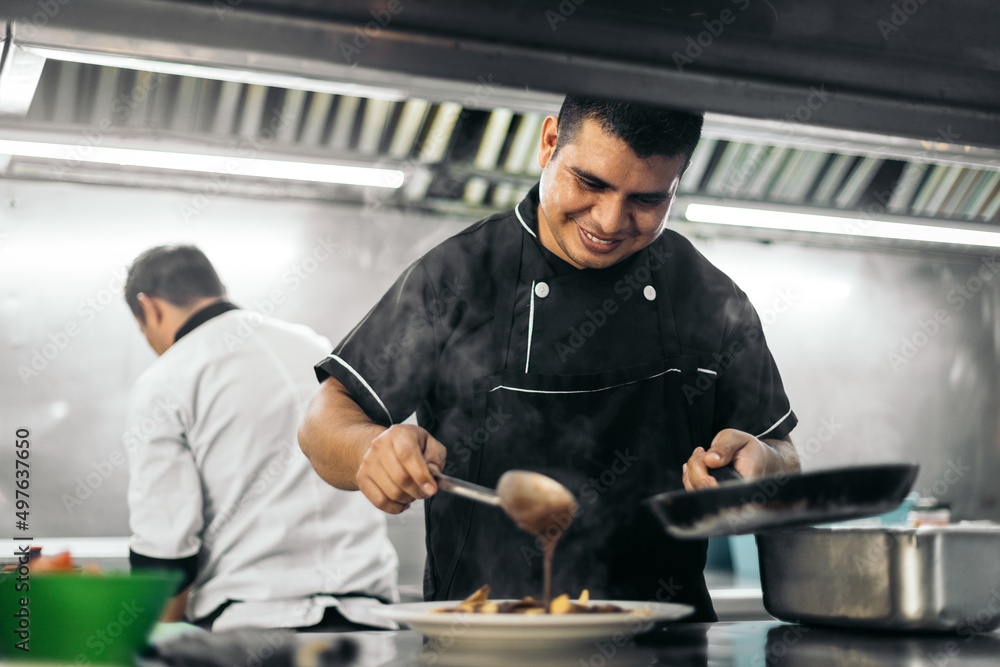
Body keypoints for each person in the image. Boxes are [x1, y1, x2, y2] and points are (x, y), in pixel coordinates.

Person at [298, 96, 800, 622]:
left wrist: (760, 465)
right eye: (591, 183)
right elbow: (323, 420)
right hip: (485, 646)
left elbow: (782, 456)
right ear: (549, 141)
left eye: (647, 200)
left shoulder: (707, 294)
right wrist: (369, 450)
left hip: (667, 645)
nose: (609, 220)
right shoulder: (460, 276)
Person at [122, 245, 399, 631]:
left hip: (249, 629)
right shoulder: (317, 348)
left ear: (148, 308)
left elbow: (165, 550)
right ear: (218, 288)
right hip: (369, 620)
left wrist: (149, 646)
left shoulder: (165, 380)